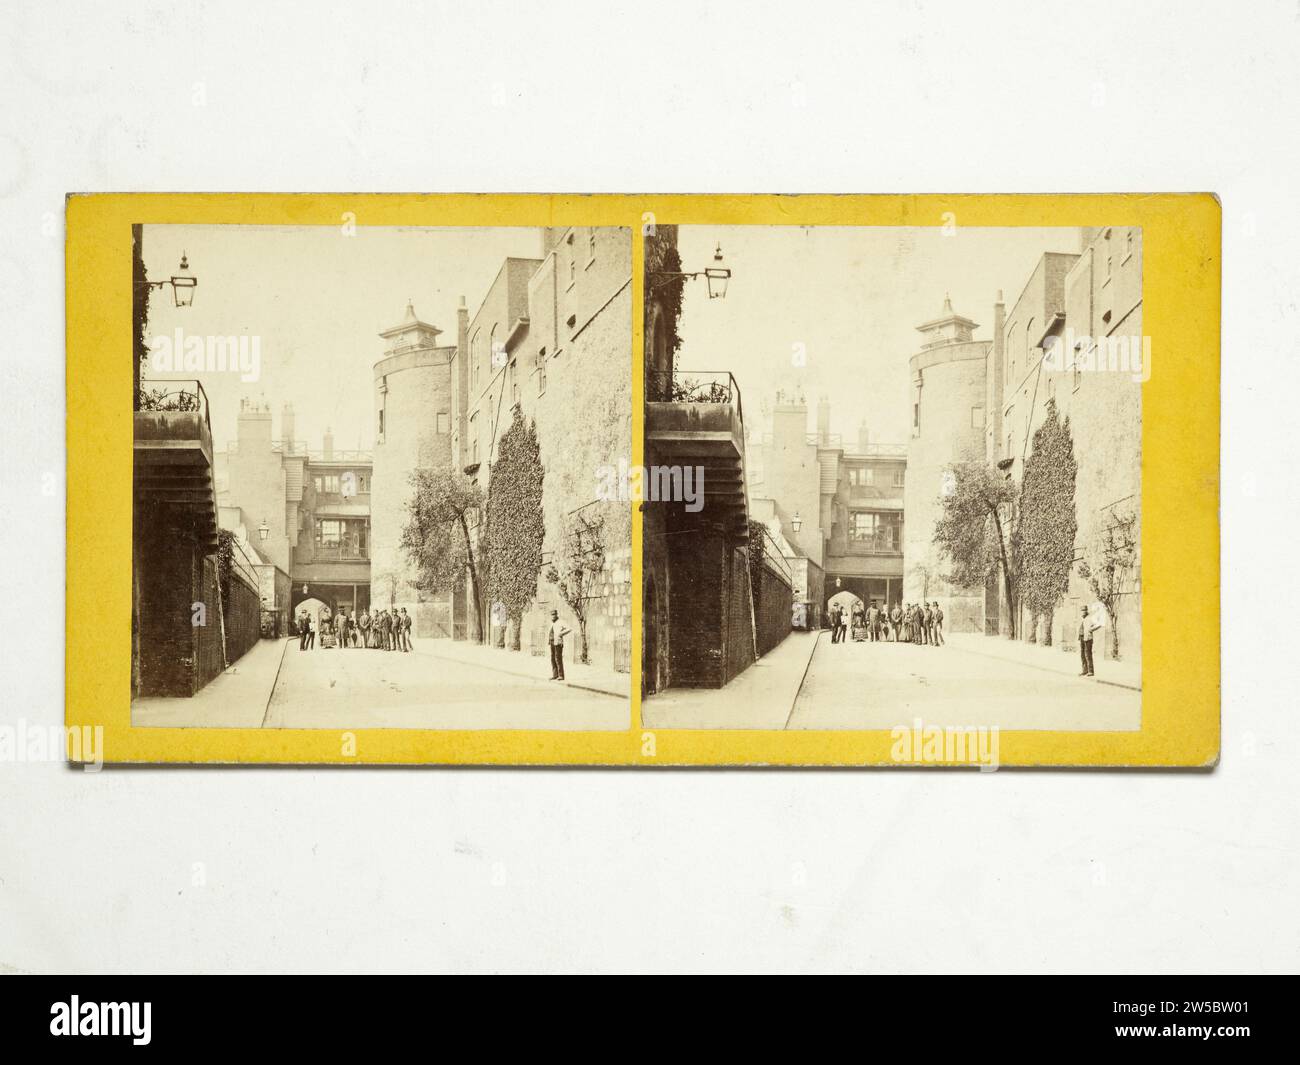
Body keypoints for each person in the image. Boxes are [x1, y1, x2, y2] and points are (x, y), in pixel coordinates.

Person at [548, 609, 571, 680]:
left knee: (558, 659)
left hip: (558, 643)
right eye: (552, 615)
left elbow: (569, 628)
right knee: (553, 659)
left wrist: (561, 633)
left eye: (554, 614)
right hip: (552, 642)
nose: (553, 616)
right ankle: (555, 675)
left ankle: (561, 675)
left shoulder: (561, 622)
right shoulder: (552, 623)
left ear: (556, 615)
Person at [1078, 604, 1097, 676]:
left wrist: (1091, 629)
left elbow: (1098, 624)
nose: (1083, 612)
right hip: (1081, 637)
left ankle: (1091, 671)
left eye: (1084, 610)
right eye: (1082, 610)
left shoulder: (1090, 618)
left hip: (1088, 638)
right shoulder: (1081, 618)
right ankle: (1084, 670)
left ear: (1087, 611)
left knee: (1088, 654)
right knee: (1082, 654)